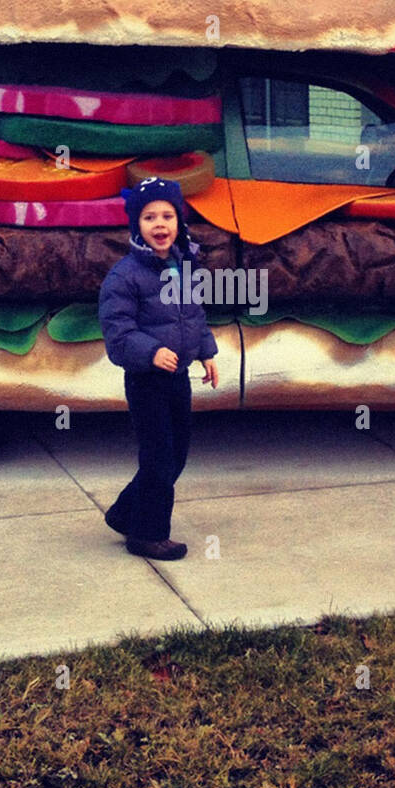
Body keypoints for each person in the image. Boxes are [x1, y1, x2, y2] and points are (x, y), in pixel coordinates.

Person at [98, 176, 219, 561]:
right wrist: (150, 352)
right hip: (146, 380)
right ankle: (148, 535)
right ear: (137, 225)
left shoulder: (184, 264)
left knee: (176, 453)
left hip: (178, 376)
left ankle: (124, 513)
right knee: (158, 456)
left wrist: (206, 351)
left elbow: (193, 314)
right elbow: (118, 332)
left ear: (179, 222)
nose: (160, 224)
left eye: (168, 215)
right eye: (150, 217)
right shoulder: (124, 276)